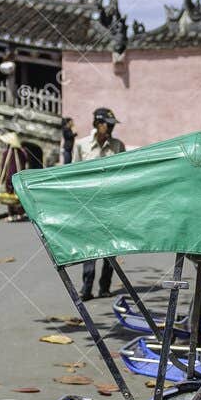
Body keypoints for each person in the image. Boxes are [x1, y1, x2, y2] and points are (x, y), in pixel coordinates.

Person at [72, 107, 126, 299]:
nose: (110, 129)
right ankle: (86, 288)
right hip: (89, 204)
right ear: (97, 124)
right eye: (108, 125)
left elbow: (123, 175)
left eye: (112, 126)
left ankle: (105, 287)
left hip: (111, 204)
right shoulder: (81, 145)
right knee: (90, 248)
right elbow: (74, 174)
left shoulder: (118, 146)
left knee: (110, 249)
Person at [0, 131, 32, 222]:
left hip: (9, 177)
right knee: (19, 195)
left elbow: (4, 166)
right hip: (19, 177)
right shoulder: (22, 152)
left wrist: (1, 178)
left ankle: (11, 215)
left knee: (9, 195)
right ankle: (20, 214)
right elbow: (26, 161)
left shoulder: (6, 153)